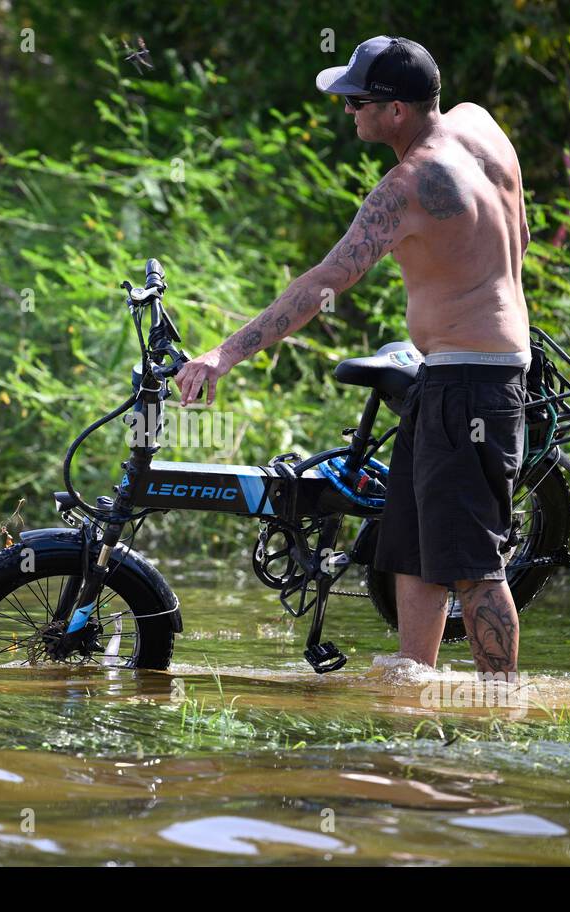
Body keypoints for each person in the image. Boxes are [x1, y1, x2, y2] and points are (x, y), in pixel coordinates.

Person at [173, 35, 532, 679]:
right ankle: (413, 681)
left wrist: (223, 354)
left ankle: (501, 714)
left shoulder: (408, 185)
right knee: (414, 550)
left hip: (471, 388)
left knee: (474, 565)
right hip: (458, 374)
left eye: (357, 99)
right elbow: (522, 234)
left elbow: (323, 283)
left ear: (395, 111)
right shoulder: (481, 125)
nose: (346, 110)